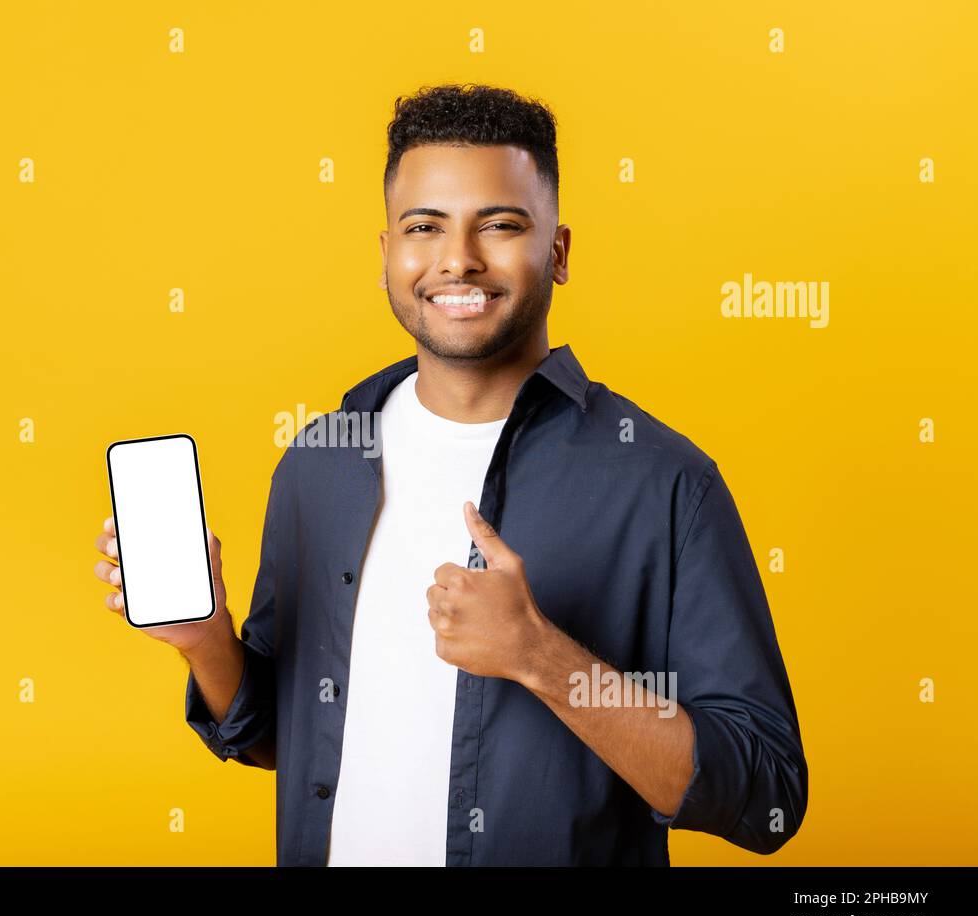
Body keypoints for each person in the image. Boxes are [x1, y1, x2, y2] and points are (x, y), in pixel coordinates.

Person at [94, 83, 807, 866]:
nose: (458, 259)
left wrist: (542, 658)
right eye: (424, 227)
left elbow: (766, 795)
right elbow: (282, 744)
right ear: (387, 255)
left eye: (500, 225)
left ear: (559, 253)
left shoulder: (666, 483)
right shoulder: (321, 460)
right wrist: (208, 645)